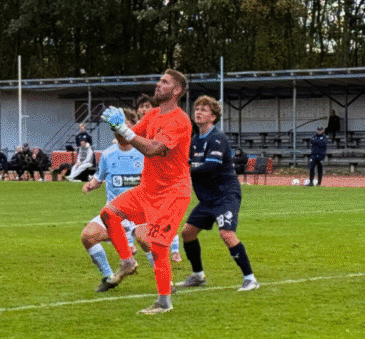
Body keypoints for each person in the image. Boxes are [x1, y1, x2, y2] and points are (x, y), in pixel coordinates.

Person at [96, 70, 194, 315]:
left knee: (158, 245)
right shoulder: (151, 115)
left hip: (173, 193)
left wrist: (125, 130)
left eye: (165, 82)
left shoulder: (180, 120)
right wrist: (116, 127)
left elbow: (152, 149)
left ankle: (164, 302)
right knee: (109, 214)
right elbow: (126, 142)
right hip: (148, 189)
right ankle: (128, 261)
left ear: (177, 90)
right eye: (159, 81)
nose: (158, 85)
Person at [174, 96, 258, 292]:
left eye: (204, 109)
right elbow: (185, 163)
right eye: (197, 109)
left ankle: (250, 279)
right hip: (207, 199)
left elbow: (212, 166)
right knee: (187, 233)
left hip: (225, 195)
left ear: (213, 116)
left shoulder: (216, 138)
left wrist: (184, 172)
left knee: (227, 233)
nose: (198, 112)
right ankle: (198, 276)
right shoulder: (195, 140)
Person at [81, 113, 146, 290]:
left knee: (147, 240)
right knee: (88, 236)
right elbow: (99, 177)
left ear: (133, 127)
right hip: (114, 214)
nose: (119, 130)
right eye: (115, 127)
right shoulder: (108, 155)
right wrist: (91, 185)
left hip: (140, 213)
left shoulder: (144, 153)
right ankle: (109, 276)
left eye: (123, 125)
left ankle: (167, 282)